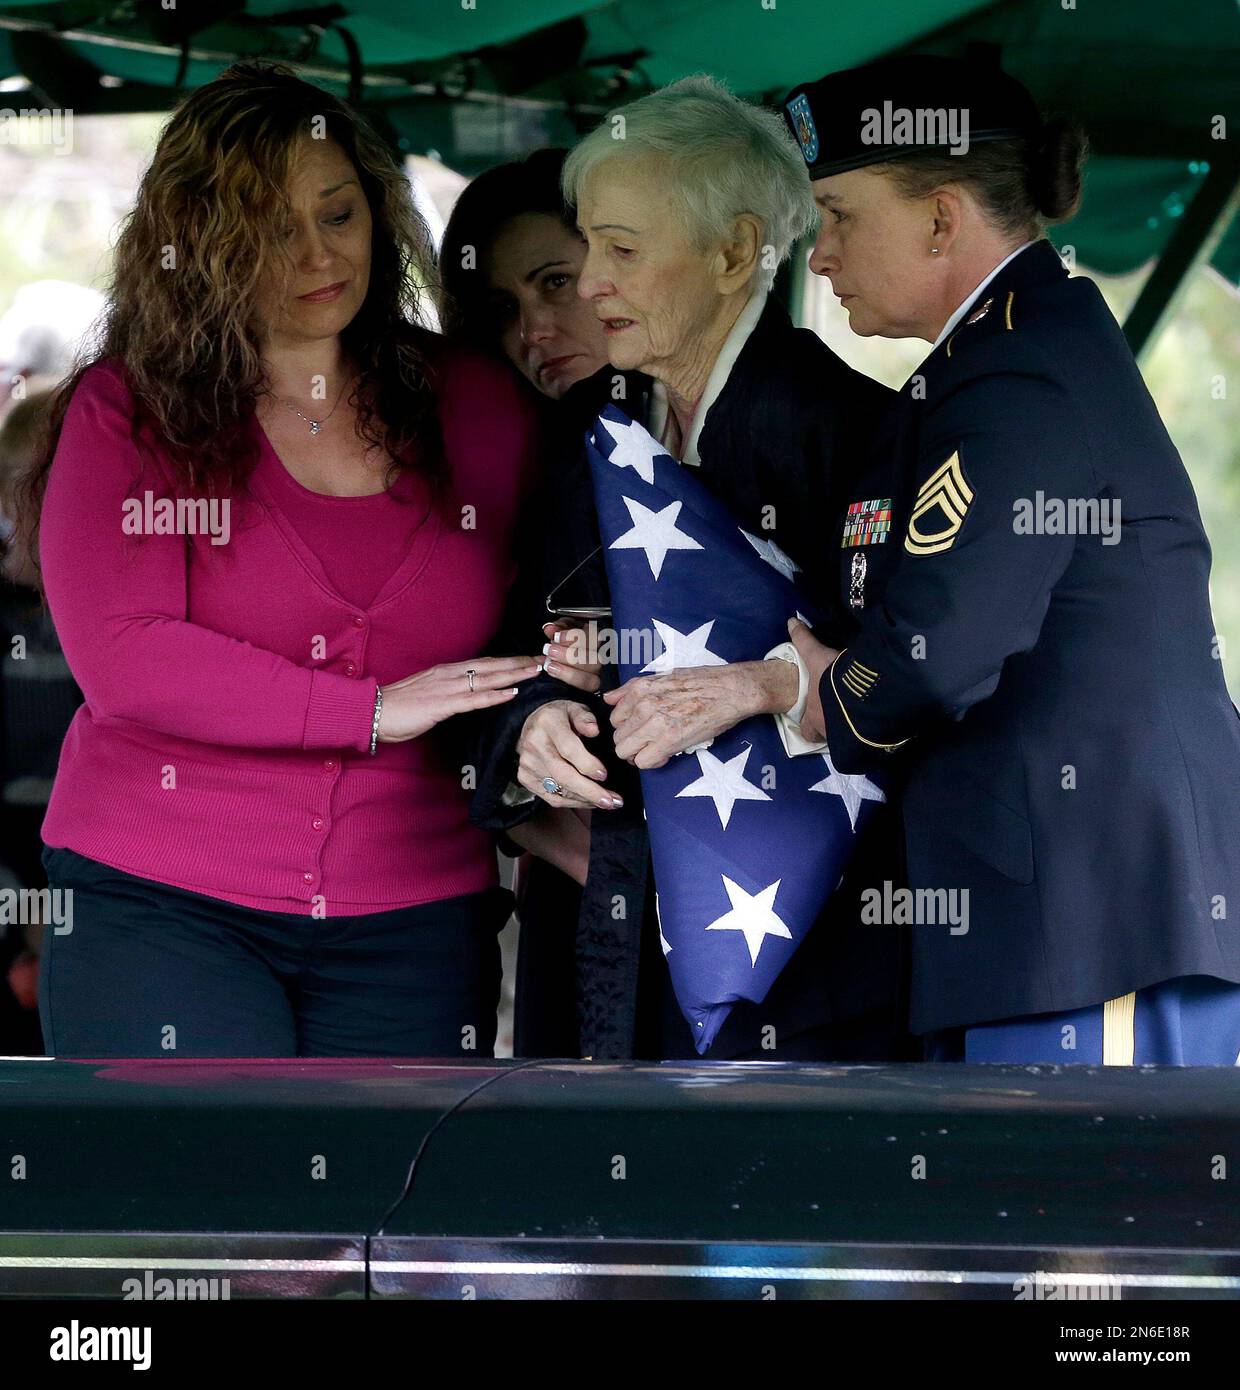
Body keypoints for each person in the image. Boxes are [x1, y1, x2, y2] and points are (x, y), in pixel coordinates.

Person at [17, 61, 553, 1060]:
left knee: (385, 1220)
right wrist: (371, 709)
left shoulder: (477, 403)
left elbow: (554, 605)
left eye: (338, 213)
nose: (316, 254)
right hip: (163, 906)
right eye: (268, 228)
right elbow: (127, 659)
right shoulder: (127, 412)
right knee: (208, 1214)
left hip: (417, 914)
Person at [780, 53, 1240, 1065]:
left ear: (942, 219)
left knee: (1089, 1222)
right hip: (1066, 915)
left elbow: (939, 651)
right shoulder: (1006, 354)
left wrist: (812, 691)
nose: (819, 255)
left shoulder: (1016, 373)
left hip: (1099, 915)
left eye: (840, 214)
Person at [470, 76, 914, 1062]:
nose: (589, 284)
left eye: (621, 251)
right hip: (605, 945)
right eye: (586, 250)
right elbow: (518, 649)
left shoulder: (849, 433)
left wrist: (759, 688)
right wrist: (536, 719)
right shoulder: (596, 437)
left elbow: (921, 675)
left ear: (732, 253)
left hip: (805, 959)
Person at [438, 148, 618, 1056]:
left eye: (557, 282)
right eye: (502, 310)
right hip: (577, 899)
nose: (534, 329)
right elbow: (442, 689)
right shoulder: (498, 469)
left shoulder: (761, 428)